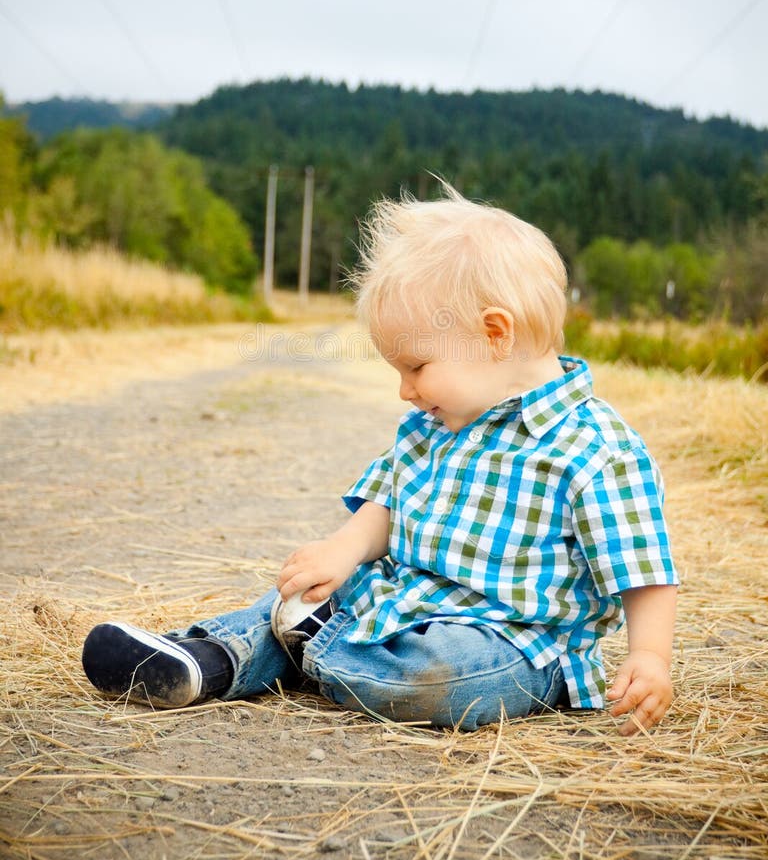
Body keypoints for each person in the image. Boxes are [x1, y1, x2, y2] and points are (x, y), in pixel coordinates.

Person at [82, 186, 678, 735]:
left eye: (416, 367)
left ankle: (314, 647)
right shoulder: (430, 427)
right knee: (301, 599)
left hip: (516, 646)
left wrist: (649, 657)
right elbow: (388, 505)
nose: (406, 390)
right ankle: (206, 658)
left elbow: (642, 569)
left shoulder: (596, 448)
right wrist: (342, 552)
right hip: (395, 601)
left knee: (440, 677)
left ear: (494, 335)